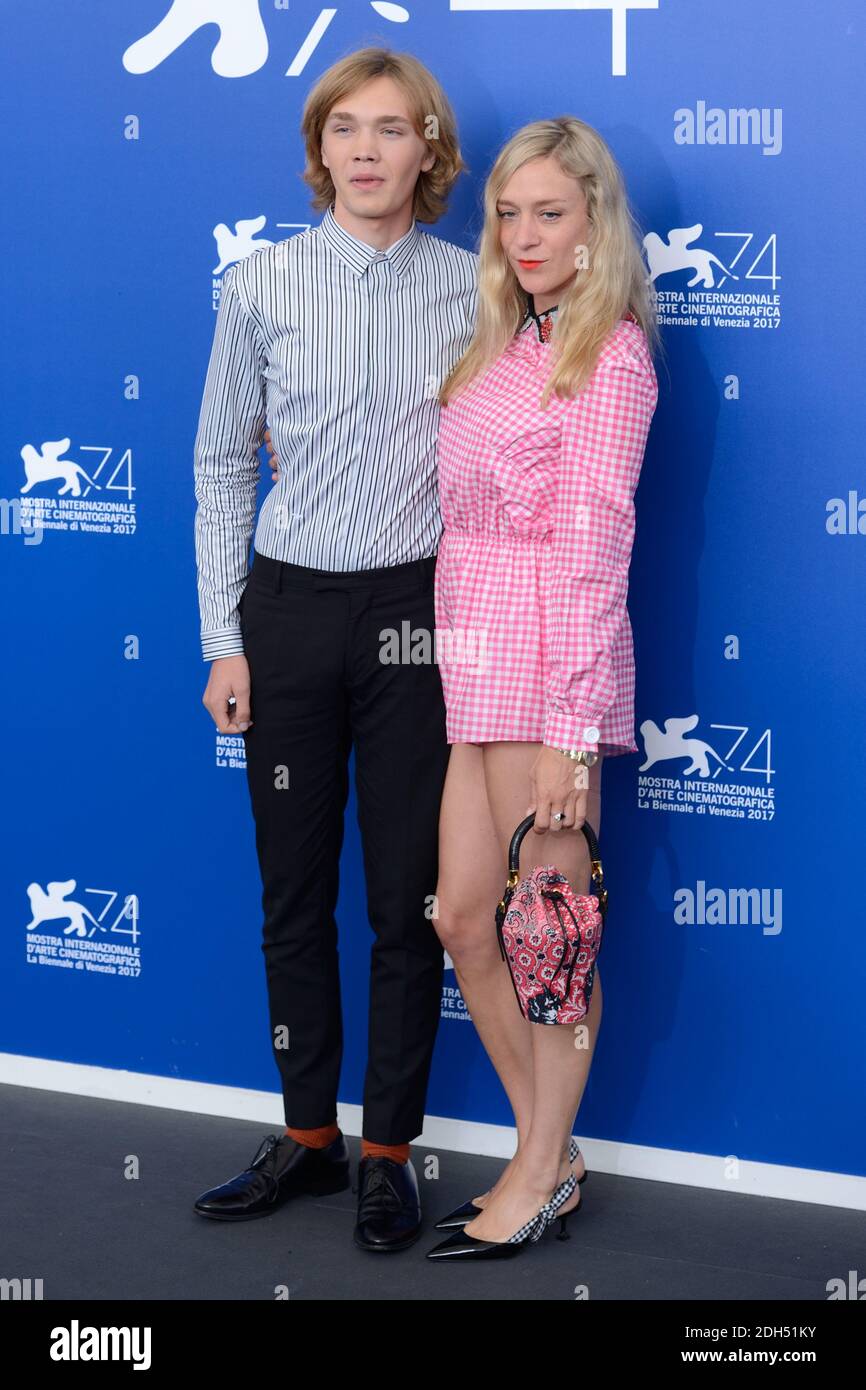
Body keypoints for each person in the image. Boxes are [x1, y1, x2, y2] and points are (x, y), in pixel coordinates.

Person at [267, 113, 660, 1263]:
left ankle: (537, 1170)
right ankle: (553, 1148)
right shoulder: (505, 343)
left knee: (550, 947)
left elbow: (595, 546)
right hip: (469, 670)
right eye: (507, 211)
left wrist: (573, 734)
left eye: (550, 212)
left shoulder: (609, 354)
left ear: (593, 225)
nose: (524, 232)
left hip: (550, 680)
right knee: (457, 919)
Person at [191, 46, 478, 1253]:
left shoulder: (476, 289)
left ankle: (388, 1151)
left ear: (428, 152)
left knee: (406, 900)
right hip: (291, 613)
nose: (365, 150)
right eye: (343, 129)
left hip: (417, 611)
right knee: (291, 891)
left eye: (391, 129)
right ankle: (308, 1137)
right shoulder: (257, 284)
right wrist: (224, 637)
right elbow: (218, 463)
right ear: (319, 152)